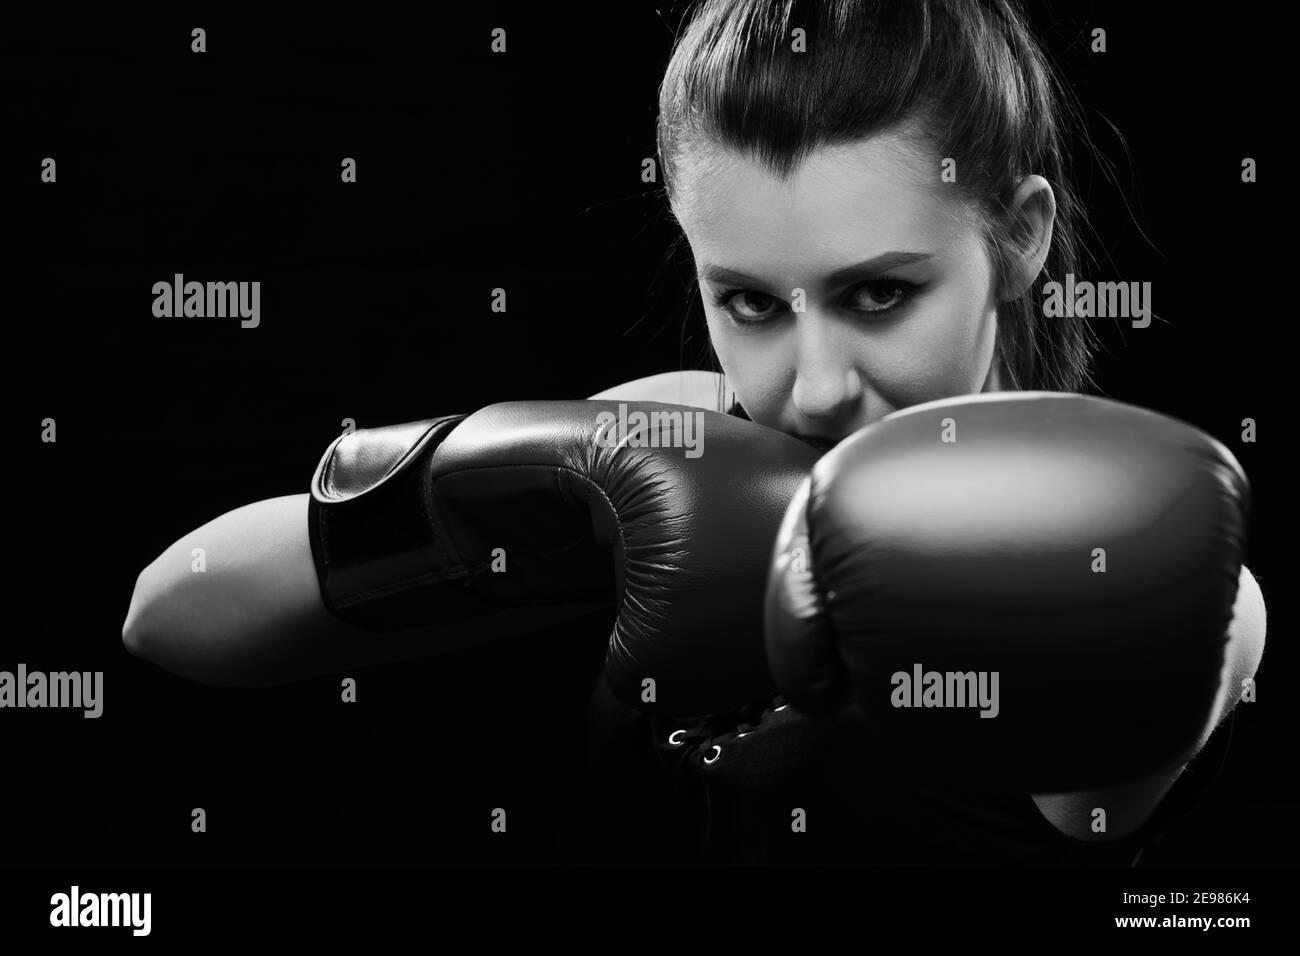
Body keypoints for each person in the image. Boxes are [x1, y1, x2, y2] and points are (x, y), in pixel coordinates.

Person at [122, 0, 1267, 865]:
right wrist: (508, 476)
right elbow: (171, 614)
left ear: (1016, 238)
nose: (813, 385)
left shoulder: (1136, 554)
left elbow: (1078, 808)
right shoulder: (675, 439)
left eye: (879, 294)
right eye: (752, 303)